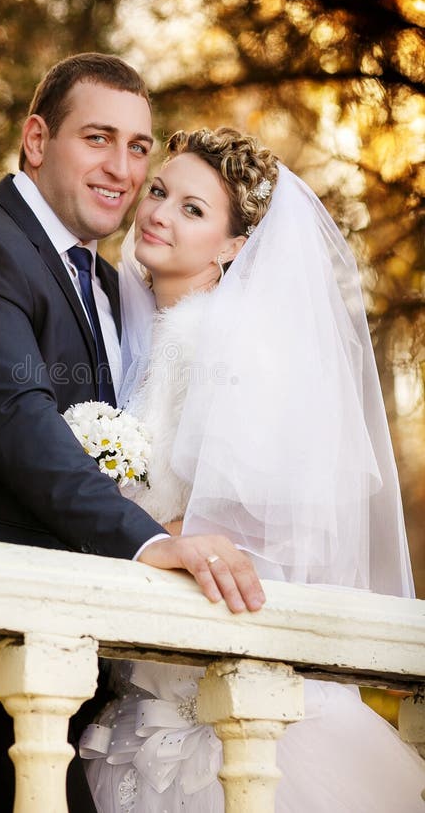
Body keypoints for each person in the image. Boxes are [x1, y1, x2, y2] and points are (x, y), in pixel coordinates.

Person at [0, 56, 265, 813]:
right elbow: (13, 420)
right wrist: (150, 538)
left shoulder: (109, 283)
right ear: (38, 139)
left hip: (70, 647)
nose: (122, 167)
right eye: (98, 138)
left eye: (139, 147)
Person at [81, 127, 425, 811]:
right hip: (142, 697)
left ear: (236, 247)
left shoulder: (232, 346)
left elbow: (274, 535)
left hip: (222, 713)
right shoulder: (136, 338)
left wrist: (151, 531)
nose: (158, 212)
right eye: (159, 191)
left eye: (193, 209)